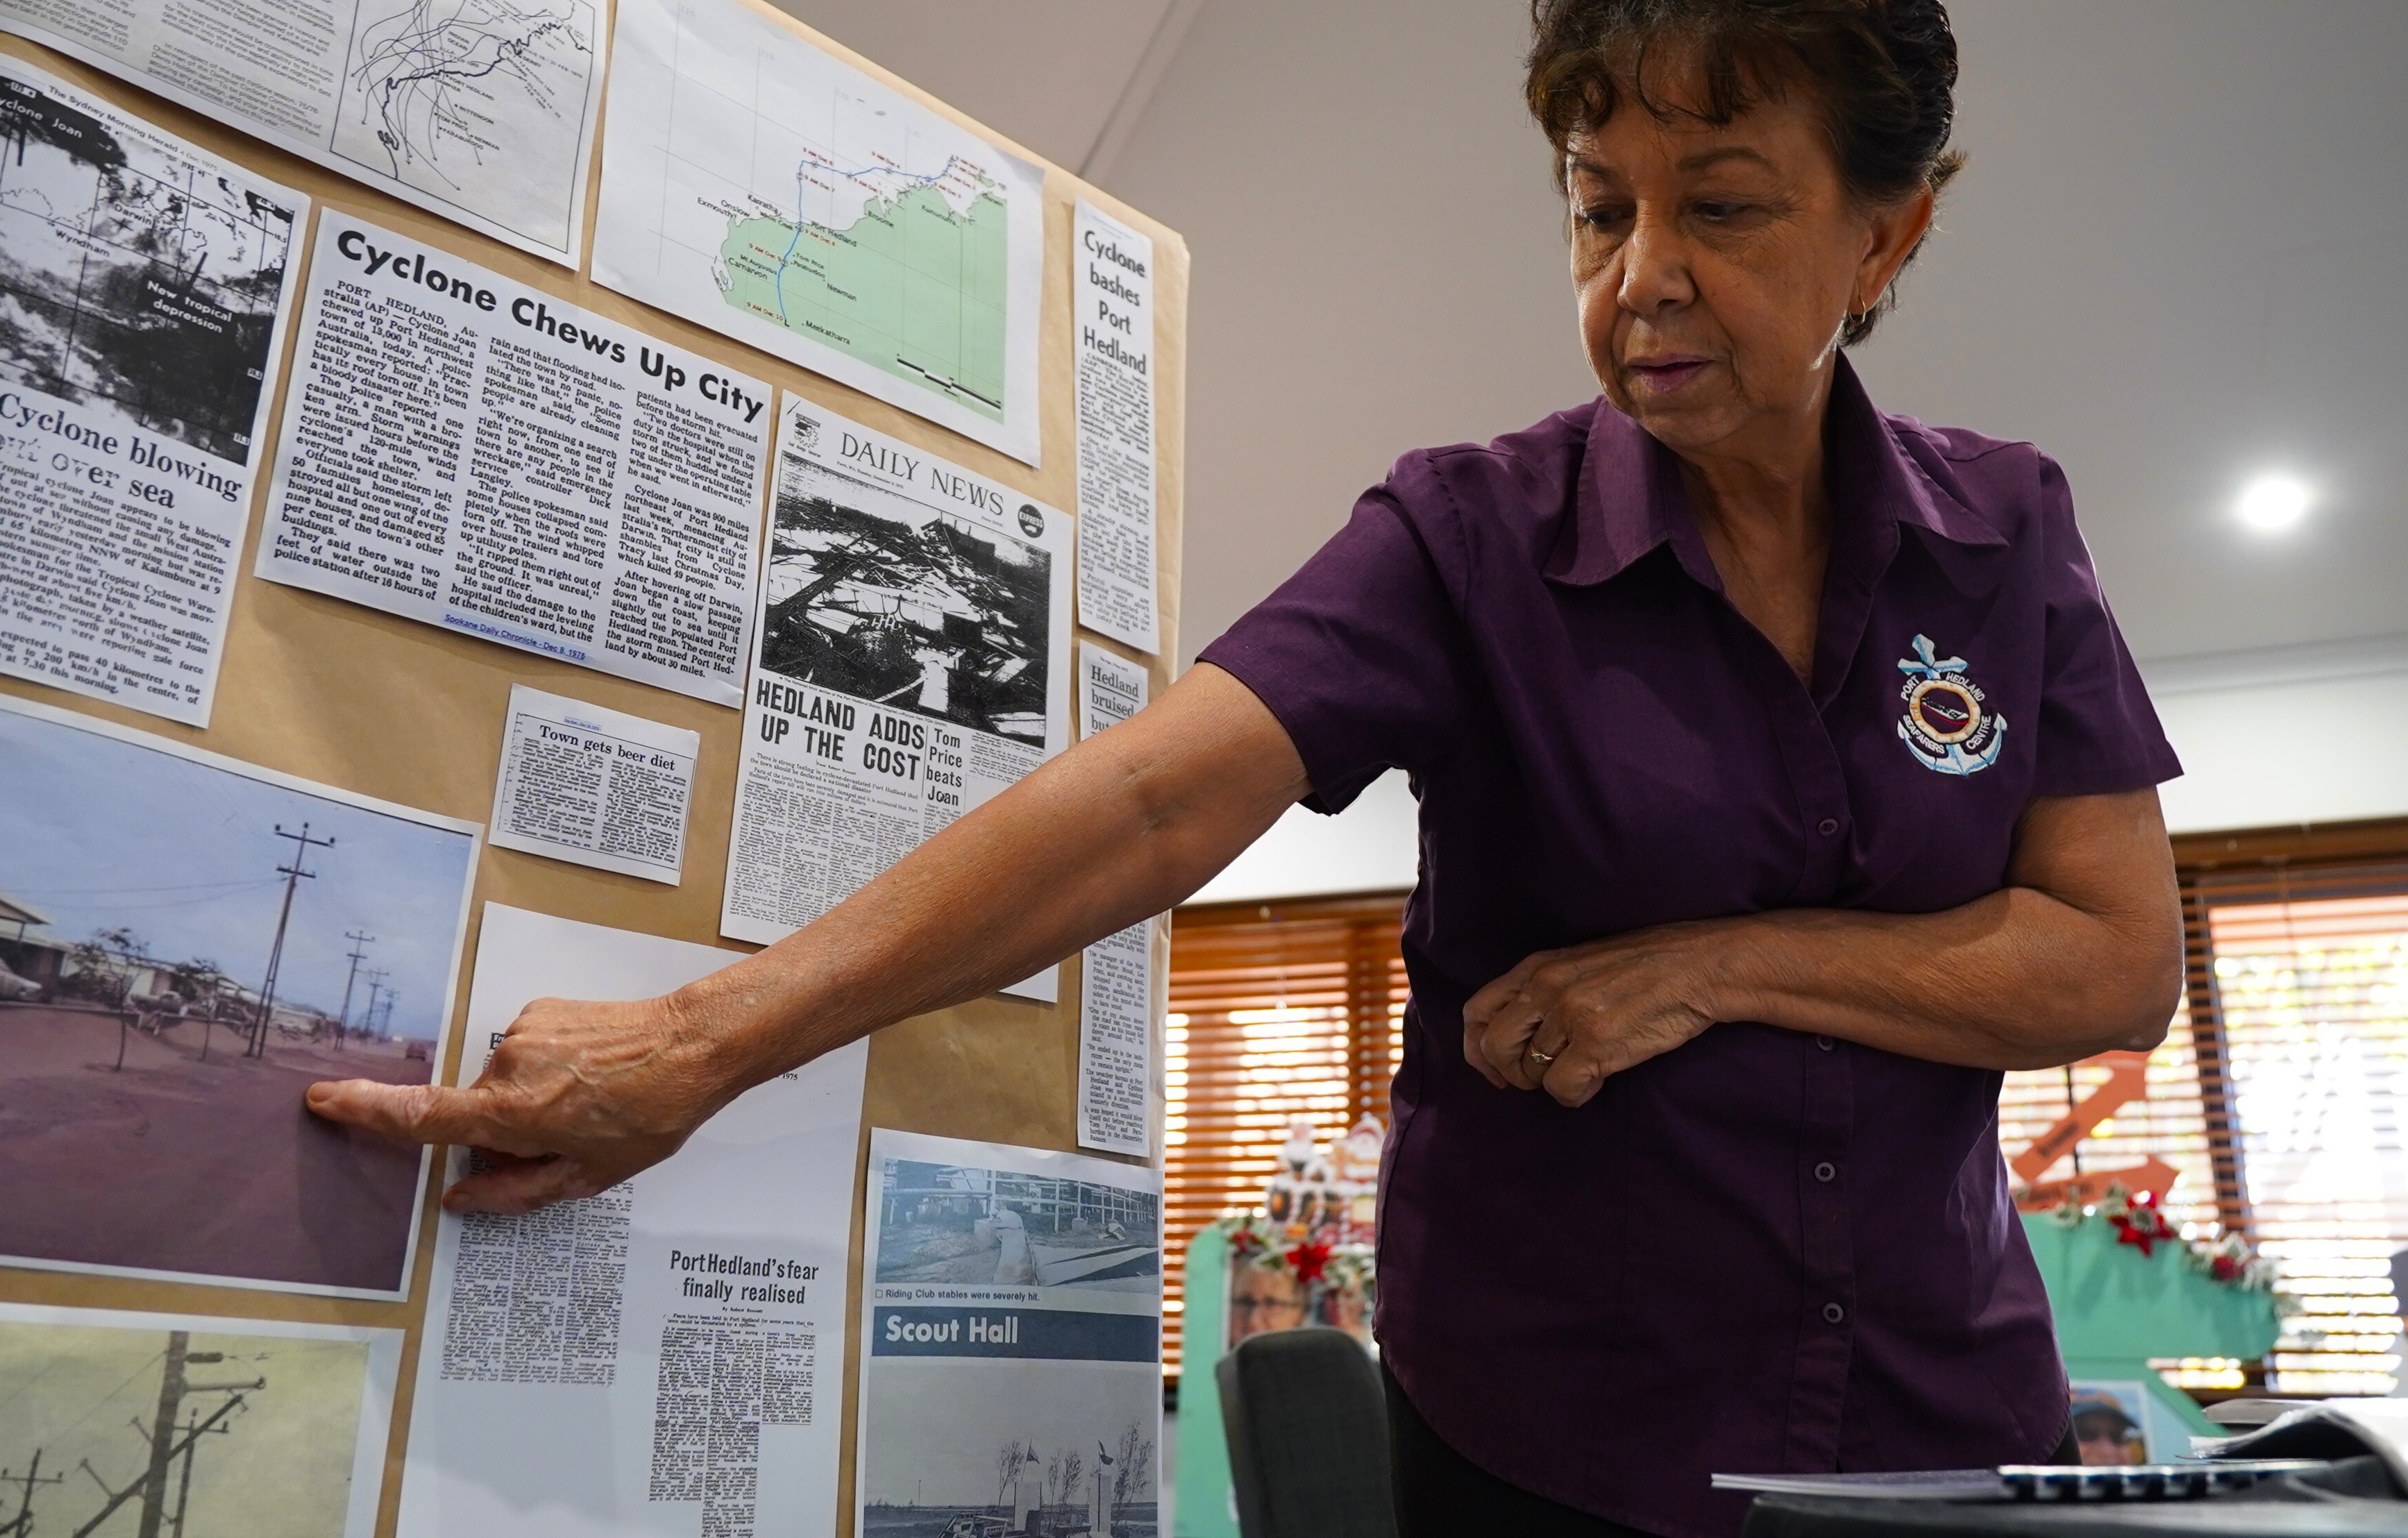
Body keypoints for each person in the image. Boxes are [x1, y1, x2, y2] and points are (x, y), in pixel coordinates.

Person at [309, 1, 2186, 1531]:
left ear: (1890, 230)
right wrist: (706, 1043)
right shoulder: (1469, 535)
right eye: (1598, 206)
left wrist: (1701, 967)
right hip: (1566, 1435)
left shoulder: (2004, 531)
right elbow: (1150, 797)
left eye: (1724, 207)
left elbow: (2110, 962)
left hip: (1942, 1412)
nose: (1643, 279)